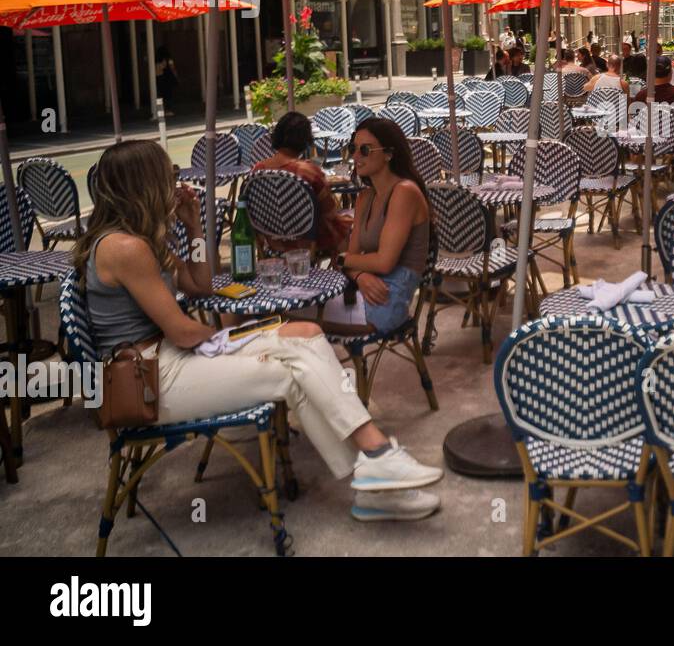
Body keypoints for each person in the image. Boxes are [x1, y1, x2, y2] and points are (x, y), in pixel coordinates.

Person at [74, 140, 443, 522]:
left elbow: (200, 284)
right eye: (170, 175)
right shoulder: (125, 248)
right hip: (149, 379)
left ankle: (374, 470)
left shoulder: (146, 240)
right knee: (291, 370)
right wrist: (243, 338)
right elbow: (183, 331)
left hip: (168, 358)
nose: (177, 183)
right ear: (145, 183)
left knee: (305, 334)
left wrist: (195, 226)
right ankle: (376, 463)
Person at [326, 119, 430, 344]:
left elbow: (384, 263)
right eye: (353, 148)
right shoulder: (366, 197)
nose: (356, 156)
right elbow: (350, 258)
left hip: (387, 300)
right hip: (363, 291)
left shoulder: (404, 192)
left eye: (365, 150)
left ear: (389, 154)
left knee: (298, 323)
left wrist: (346, 261)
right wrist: (360, 275)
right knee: (288, 319)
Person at [252, 112, 351, 256]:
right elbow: (330, 213)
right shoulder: (308, 171)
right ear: (306, 140)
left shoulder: (258, 170)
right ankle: (349, 272)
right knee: (350, 227)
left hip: (272, 242)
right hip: (309, 243)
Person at [155, 46, 179, 117]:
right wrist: (176, 76)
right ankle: (169, 110)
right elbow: (172, 68)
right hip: (168, 78)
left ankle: (161, 110)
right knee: (169, 95)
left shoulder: (156, 60)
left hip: (160, 78)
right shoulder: (169, 59)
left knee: (161, 94)